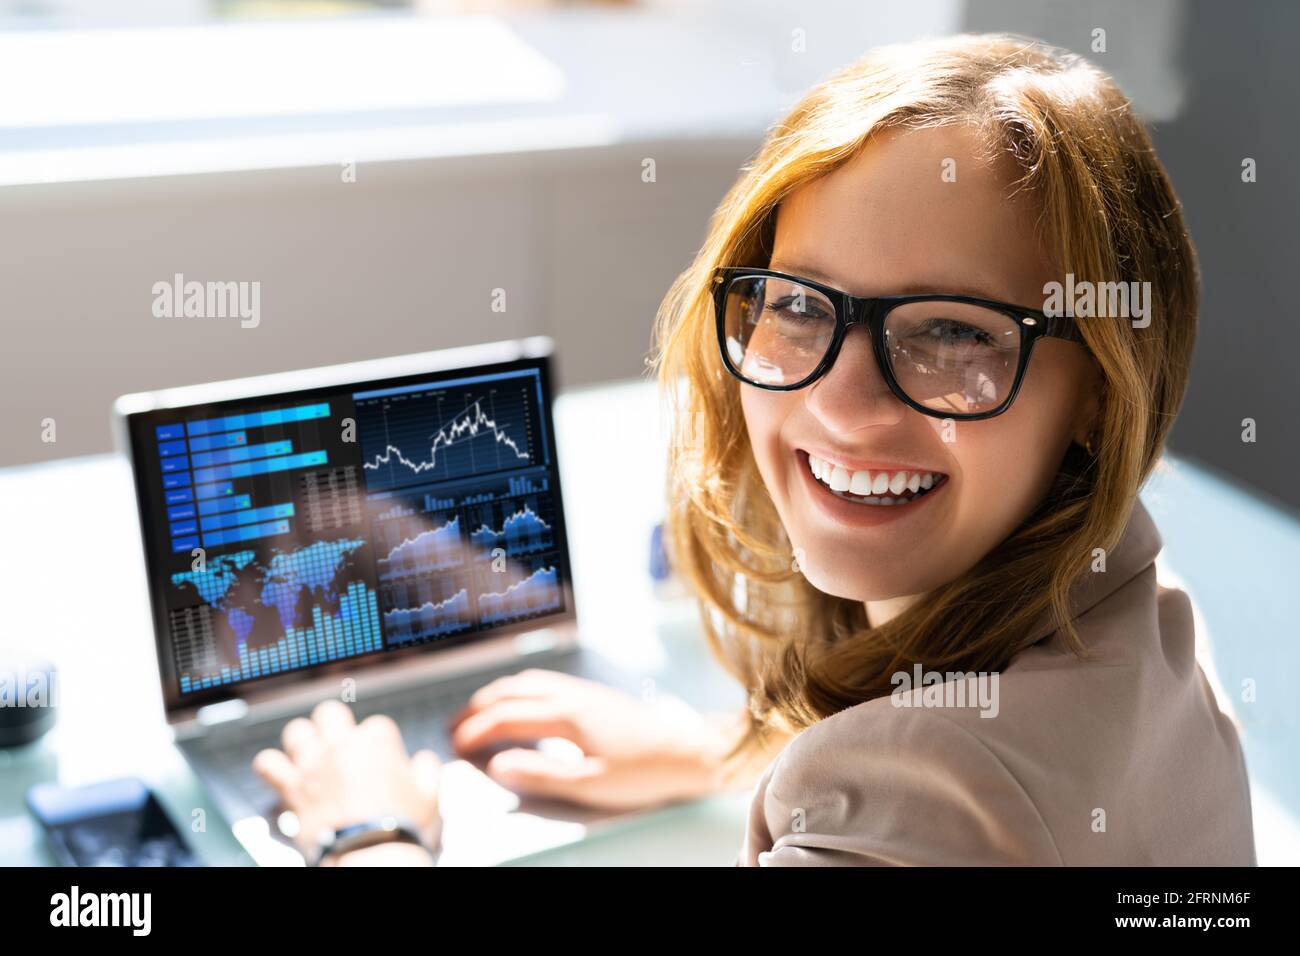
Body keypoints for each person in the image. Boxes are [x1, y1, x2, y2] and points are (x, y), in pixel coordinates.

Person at [252, 33, 1255, 866]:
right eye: (796, 304)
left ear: (1099, 387)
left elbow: (952, 803)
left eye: (954, 331)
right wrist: (733, 754)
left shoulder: (931, 803)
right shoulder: (1127, 591)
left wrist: (366, 832)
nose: (842, 404)